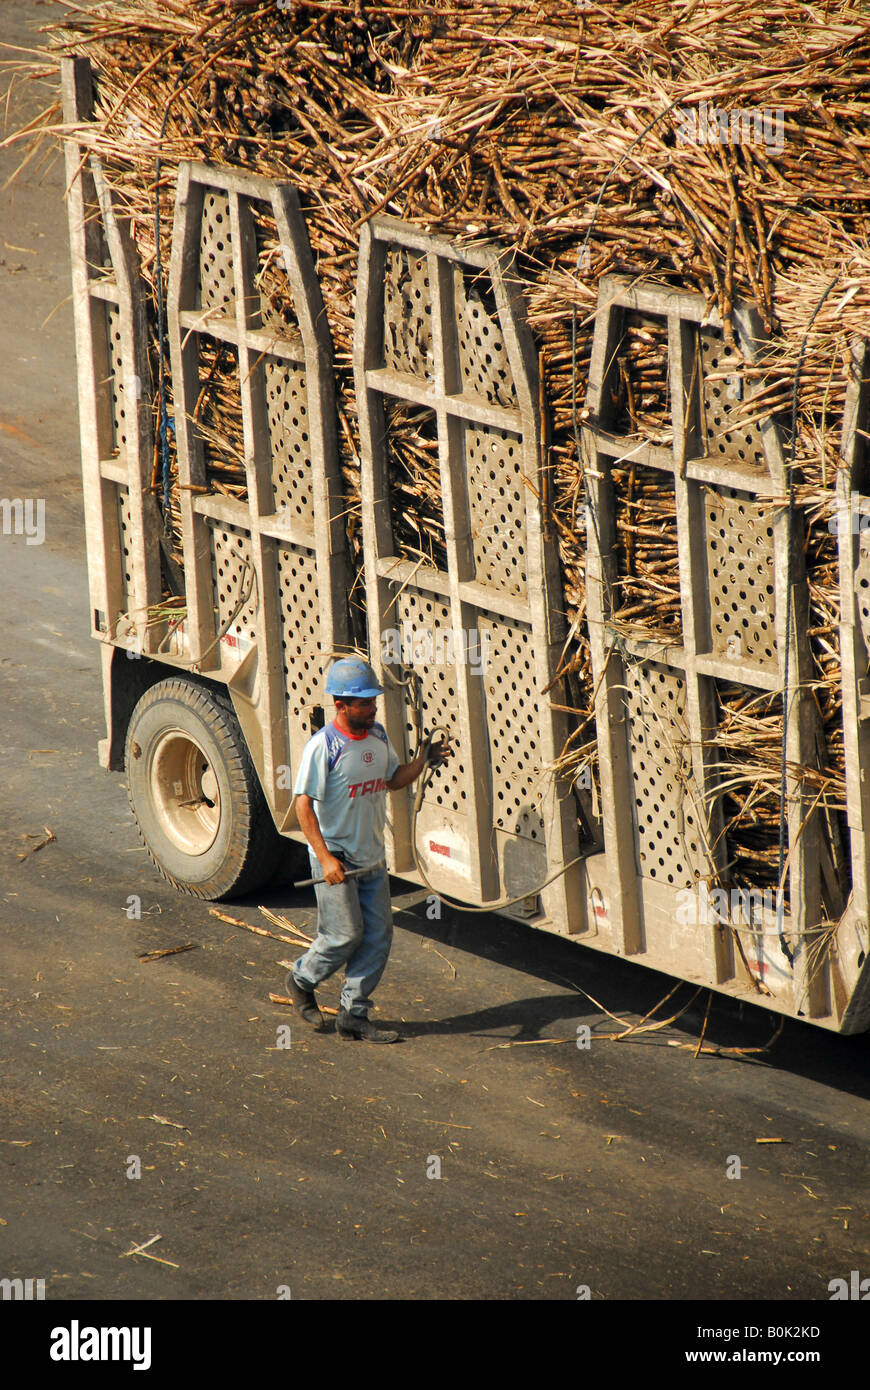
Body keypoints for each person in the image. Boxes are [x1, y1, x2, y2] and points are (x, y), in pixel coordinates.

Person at [285, 656, 452, 1043]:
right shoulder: (323, 747)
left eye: (373, 700)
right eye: (364, 702)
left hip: (372, 858)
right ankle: (300, 980)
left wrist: (422, 760)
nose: (372, 707)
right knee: (344, 935)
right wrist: (325, 858)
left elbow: (394, 780)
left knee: (377, 936)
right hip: (337, 858)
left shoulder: (377, 737)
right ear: (340, 705)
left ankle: (353, 1015)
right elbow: (302, 806)